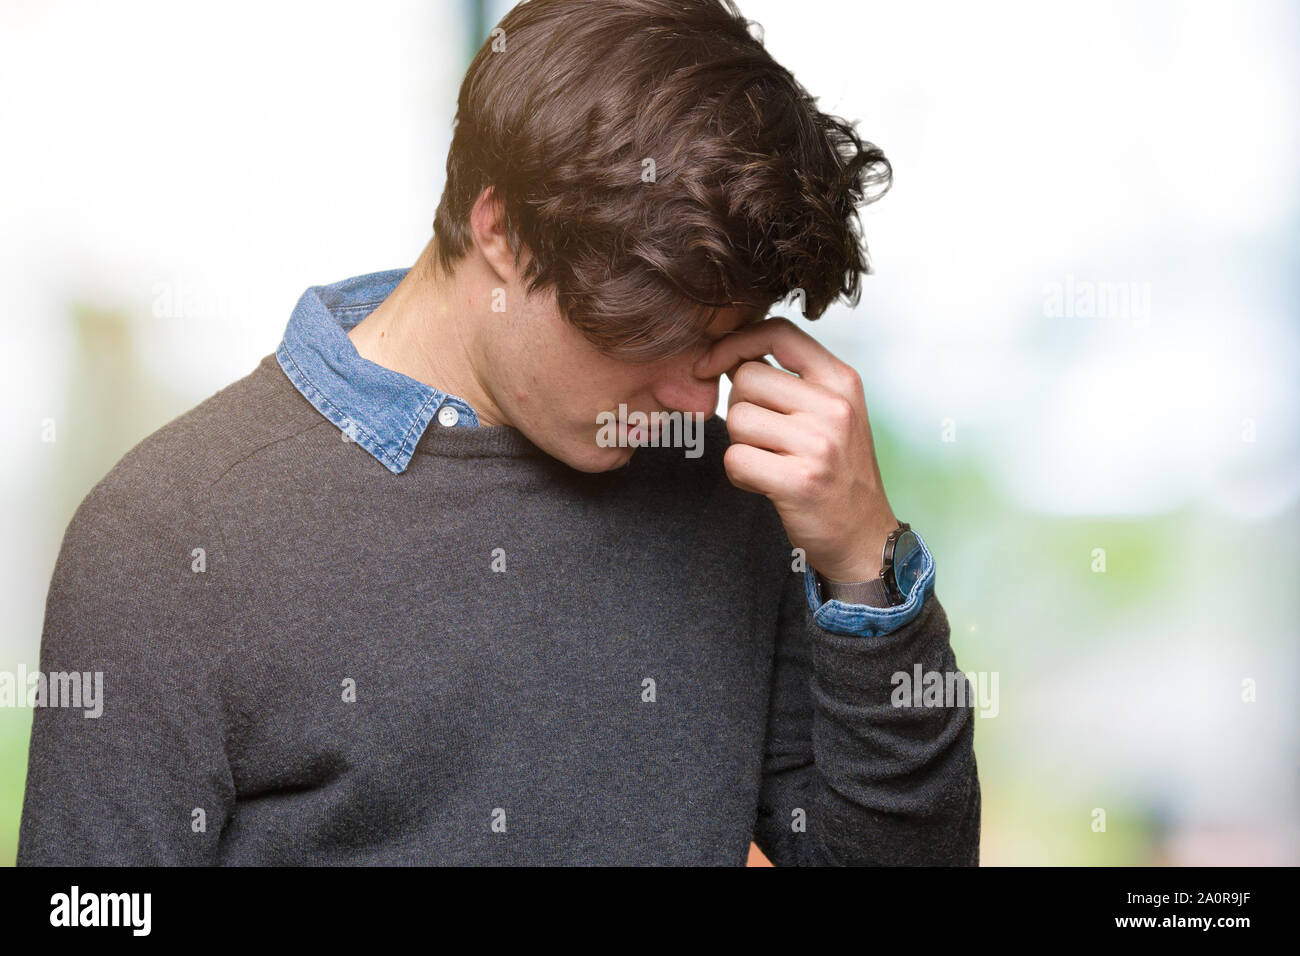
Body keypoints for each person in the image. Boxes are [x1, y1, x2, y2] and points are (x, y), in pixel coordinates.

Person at [18, 0, 979, 865]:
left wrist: (863, 564)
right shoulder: (168, 535)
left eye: (724, 345)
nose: (697, 405)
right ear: (505, 233)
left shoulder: (730, 496)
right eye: (652, 336)